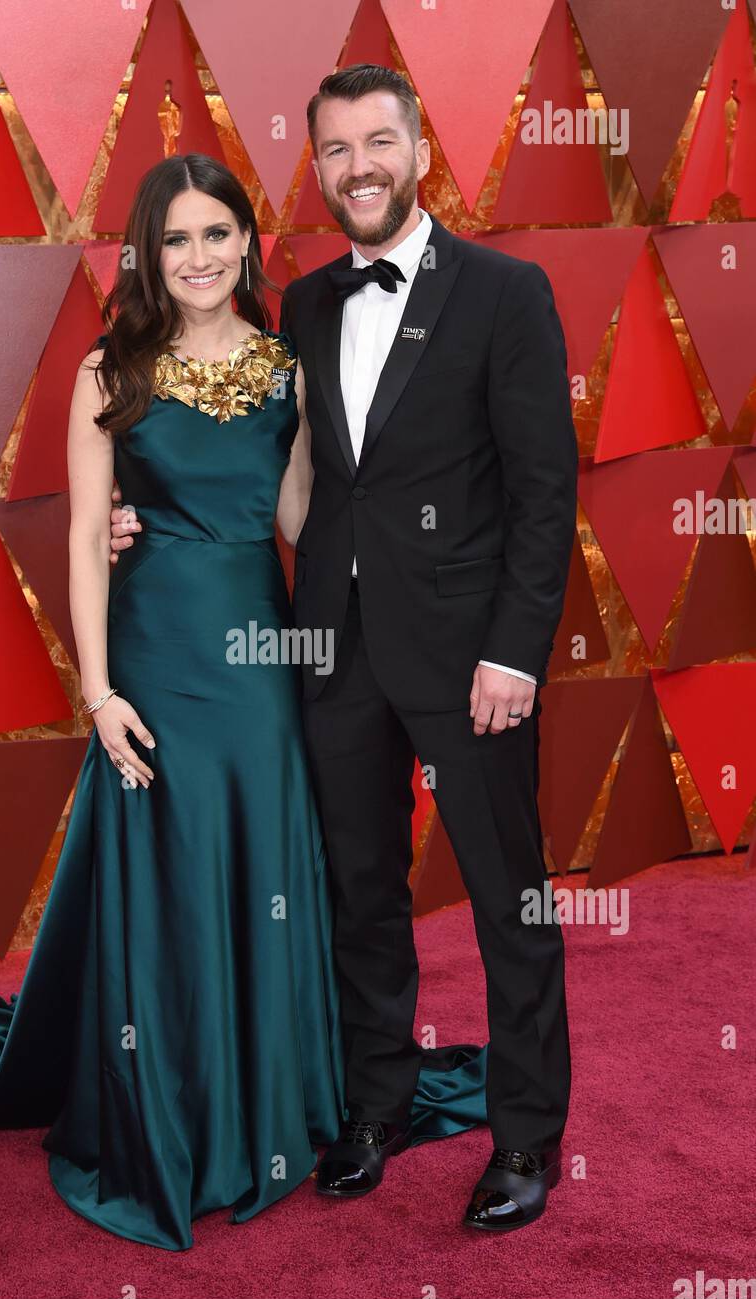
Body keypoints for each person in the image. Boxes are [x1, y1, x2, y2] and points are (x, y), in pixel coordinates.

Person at [0, 152, 488, 1253]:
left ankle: (275, 1102)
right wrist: (97, 694)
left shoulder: (290, 365)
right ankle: (182, 1105)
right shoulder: (110, 372)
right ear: (150, 252)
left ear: (247, 242)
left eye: (217, 234)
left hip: (263, 652)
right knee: (178, 863)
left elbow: (295, 518)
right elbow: (88, 550)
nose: (198, 257)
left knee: (271, 861)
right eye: (176, 239)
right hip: (154, 658)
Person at [111, 66, 578, 1233]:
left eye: (379, 142)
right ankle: (375, 1103)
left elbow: (543, 489)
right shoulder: (306, 307)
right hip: (328, 651)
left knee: (506, 896)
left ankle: (528, 1135)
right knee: (359, 892)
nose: (359, 166)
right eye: (335, 150)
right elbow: (256, 462)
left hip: (473, 661)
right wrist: (141, 515)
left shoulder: (508, 292)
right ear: (315, 167)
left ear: (418, 146)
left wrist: (515, 652)